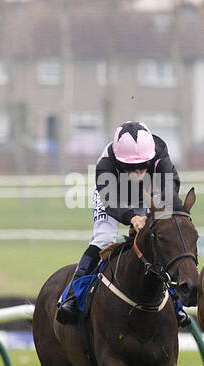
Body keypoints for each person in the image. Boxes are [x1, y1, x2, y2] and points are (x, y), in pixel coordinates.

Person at [56, 121, 189, 326]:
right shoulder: (105, 165)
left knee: (156, 239)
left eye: (142, 165)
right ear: (119, 161)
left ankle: (174, 301)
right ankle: (73, 295)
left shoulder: (160, 152)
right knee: (103, 239)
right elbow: (111, 202)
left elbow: (170, 190)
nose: (137, 172)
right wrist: (132, 218)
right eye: (130, 167)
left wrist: (156, 214)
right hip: (113, 197)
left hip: (147, 194)